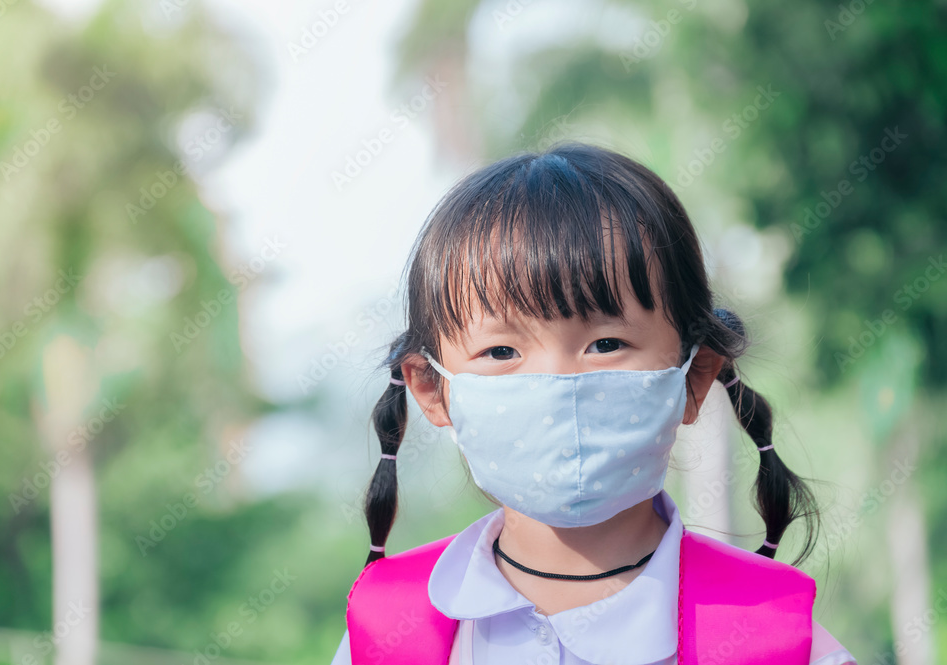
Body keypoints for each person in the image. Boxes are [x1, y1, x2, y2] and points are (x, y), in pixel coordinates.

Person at [329, 143, 856, 664]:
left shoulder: (777, 640)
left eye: (605, 344)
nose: (558, 384)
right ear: (430, 388)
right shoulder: (386, 636)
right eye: (501, 351)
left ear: (694, 377)